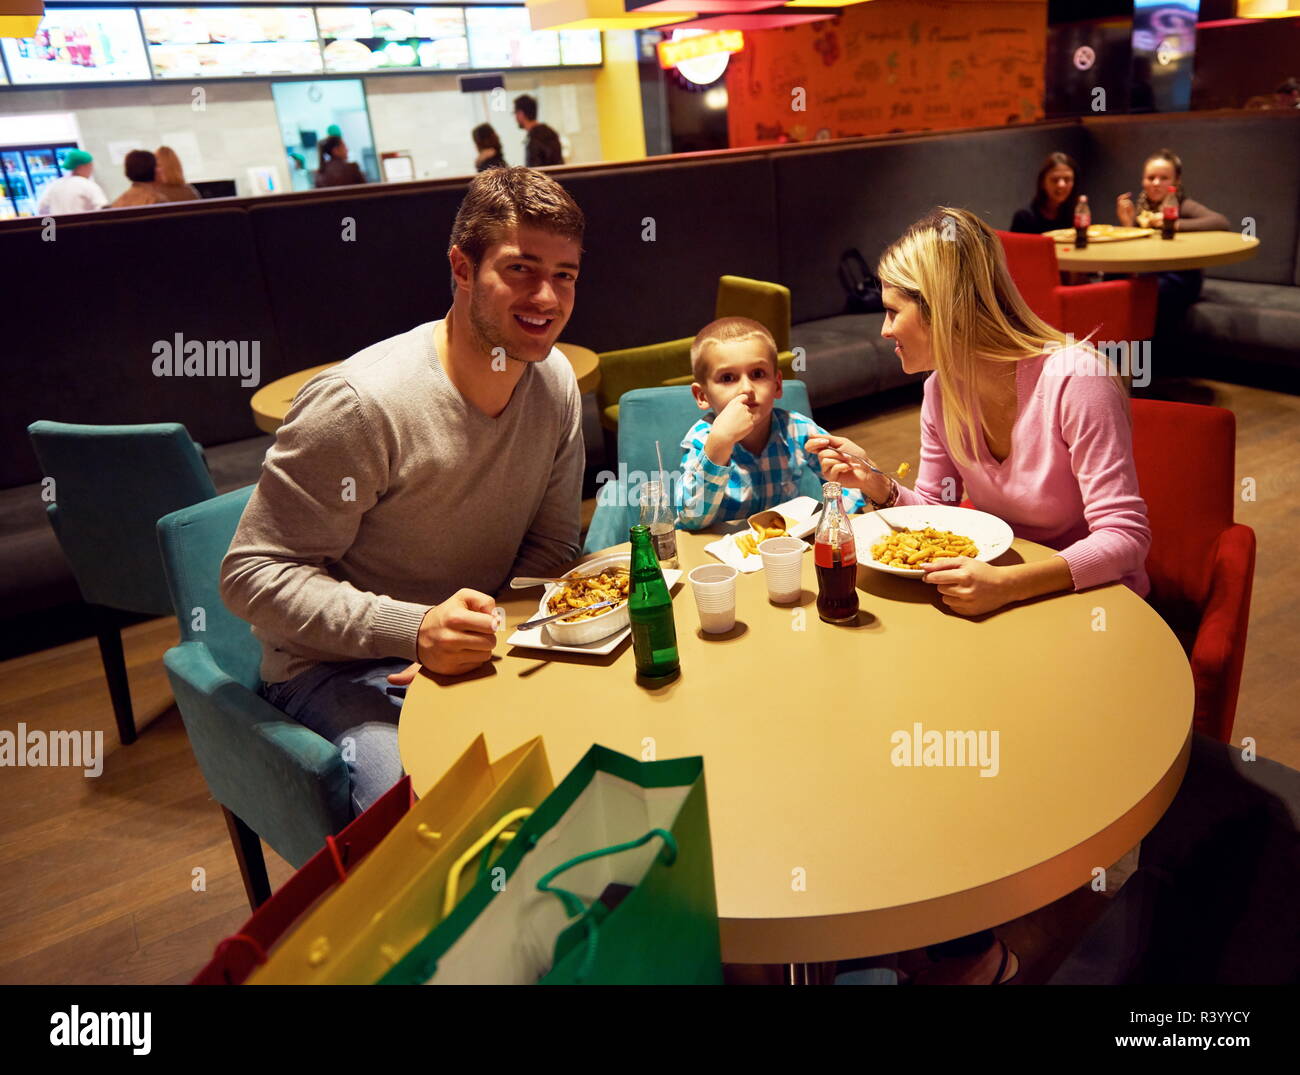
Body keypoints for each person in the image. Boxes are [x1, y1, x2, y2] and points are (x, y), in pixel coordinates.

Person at [808, 206, 1151, 984]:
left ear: (947, 307)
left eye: (895, 310)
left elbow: (1127, 537)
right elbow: (932, 508)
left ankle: (975, 935)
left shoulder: (1077, 381)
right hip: (999, 601)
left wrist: (1007, 585)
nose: (885, 329)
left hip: (1089, 611)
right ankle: (925, 907)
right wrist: (878, 485)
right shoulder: (941, 390)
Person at [220, 167, 586, 816]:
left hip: (481, 642)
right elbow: (251, 574)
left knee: (595, 747)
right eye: (521, 269)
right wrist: (414, 631)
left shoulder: (553, 381)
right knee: (438, 811)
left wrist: (483, 637)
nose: (547, 297)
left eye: (564, 274)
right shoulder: (361, 404)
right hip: (336, 668)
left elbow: (554, 542)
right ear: (462, 267)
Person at [678, 317, 865, 529]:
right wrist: (719, 446)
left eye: (757, 374)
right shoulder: (701, 439)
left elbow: (846, 485)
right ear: (702, 395)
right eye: (728, 378)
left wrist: (835, 523)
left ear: (776, 384)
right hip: (719, 553)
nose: (746, 388)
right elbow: (690, 519)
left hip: (785, 550)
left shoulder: (797, 429)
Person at [1115, 148, 1230, 338]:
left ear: (1176, 181)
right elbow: (1137, 249)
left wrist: (1171, 222)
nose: (1156, 183)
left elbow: (1221, 222)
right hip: (1148, 273)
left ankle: (1147, 356)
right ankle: (1113, 352)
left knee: (1146, 293)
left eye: (1164, 178)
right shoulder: (1141, 207)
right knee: (1111, 282)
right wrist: (1128, 224)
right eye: (1151, 178)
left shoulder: (1182, 204)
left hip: (1180, 278)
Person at [1009, 152, 1079, 234]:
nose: (1061, 185)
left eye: (1067, 179)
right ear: (1042, 182)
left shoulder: (1077, 216)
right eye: (1055, 179)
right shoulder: (1024, 217)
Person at [35, 149, 107, 216]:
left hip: (59, 228)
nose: (91, 170)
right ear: (83, 166)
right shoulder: (88, 185)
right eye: (90, 166)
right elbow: (103, 209)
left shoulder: (53, 186)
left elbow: (41, 210)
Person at [514, 94, 564, 168]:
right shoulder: (547, 132)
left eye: (515, 113)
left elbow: (535, 169)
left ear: (521, 114)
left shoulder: (535, 137)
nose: (515, 117)